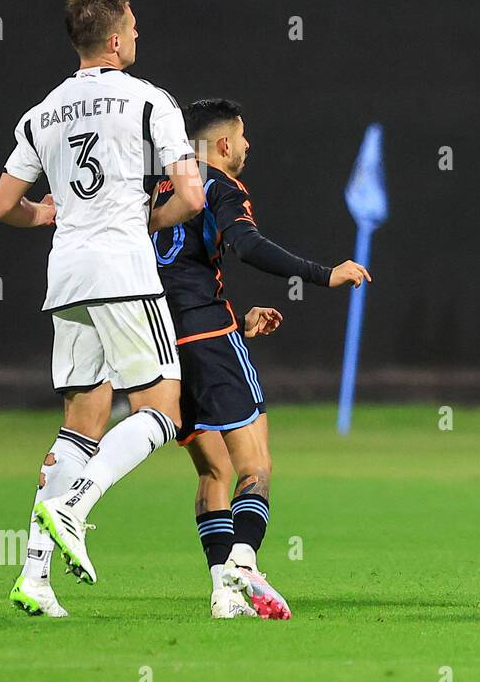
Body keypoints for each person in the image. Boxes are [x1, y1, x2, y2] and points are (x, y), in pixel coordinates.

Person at [0, 0, 205, 616]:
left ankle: (33, 573)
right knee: (163, 406)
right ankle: (75, 504)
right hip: (123, 268)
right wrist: (145, 220)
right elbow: (190, 197)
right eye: (133, 26)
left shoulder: (44, 111)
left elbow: (2, 204)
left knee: (81, 425)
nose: (137, 35)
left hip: (68, 276)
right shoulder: (150, 101)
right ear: (114, 40)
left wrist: (45, 215)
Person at [150, 98, 370, 618]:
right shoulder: (221, 185)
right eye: (243, 137)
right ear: (224, 145)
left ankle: (222, 592)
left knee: (212, 472)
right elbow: (246, 245)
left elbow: (178, 266)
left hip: (159, 339)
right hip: (208, 333)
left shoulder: (159, 188)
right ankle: (244, 566)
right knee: (256, 466)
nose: (248, 146)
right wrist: (324, 273)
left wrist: (238, 319)